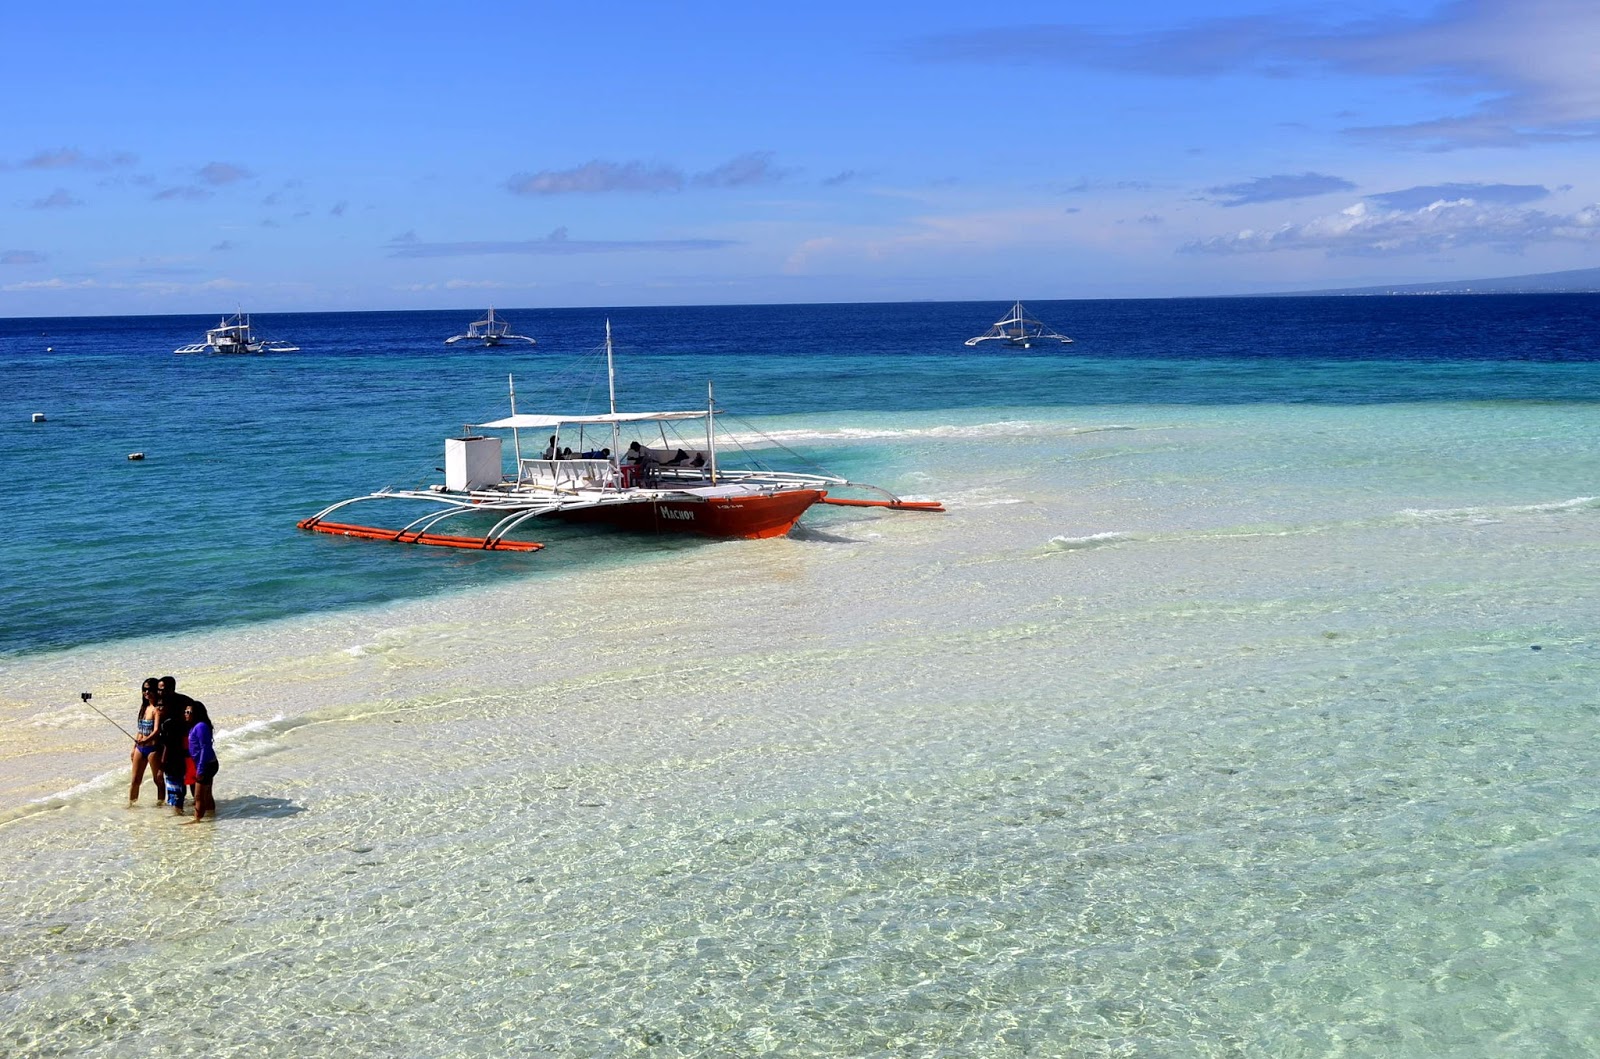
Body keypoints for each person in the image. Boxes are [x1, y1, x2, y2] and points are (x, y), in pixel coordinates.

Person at [156, 675, 198, 814]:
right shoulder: (160, 703)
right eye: (159, 689)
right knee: (176, 787)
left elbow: (196, 723)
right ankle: (183, 811)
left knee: (190, 782)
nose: (160, 692)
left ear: (172, 689)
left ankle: (196, 809)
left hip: (183, 749)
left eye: (163, 689)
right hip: (170, 748)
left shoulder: (185, 702)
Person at [128, 676, 162, 804]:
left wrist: (146, 740)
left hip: (153, 748)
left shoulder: (157, 710)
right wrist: (134, 748)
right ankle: (131, 805)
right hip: (140, 748)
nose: (146, 692)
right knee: (135, 780)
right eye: (144, 690)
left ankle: (160, 804)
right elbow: (140, 730)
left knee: (157, 780)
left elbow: (156, 730)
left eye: (149, 690)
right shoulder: (144, 708)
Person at [185, 700, 219, 822]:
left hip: (206, 764)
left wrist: (200, 769)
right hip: (208, 763)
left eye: (189, 712)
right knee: (207, 794)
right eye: (186, 711)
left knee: (198, 796)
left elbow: (205, 748)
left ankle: (197, 820)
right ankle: (211, 814)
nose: (186, 714)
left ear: (197, 714)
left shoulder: (200, 726)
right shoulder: (196, 726)